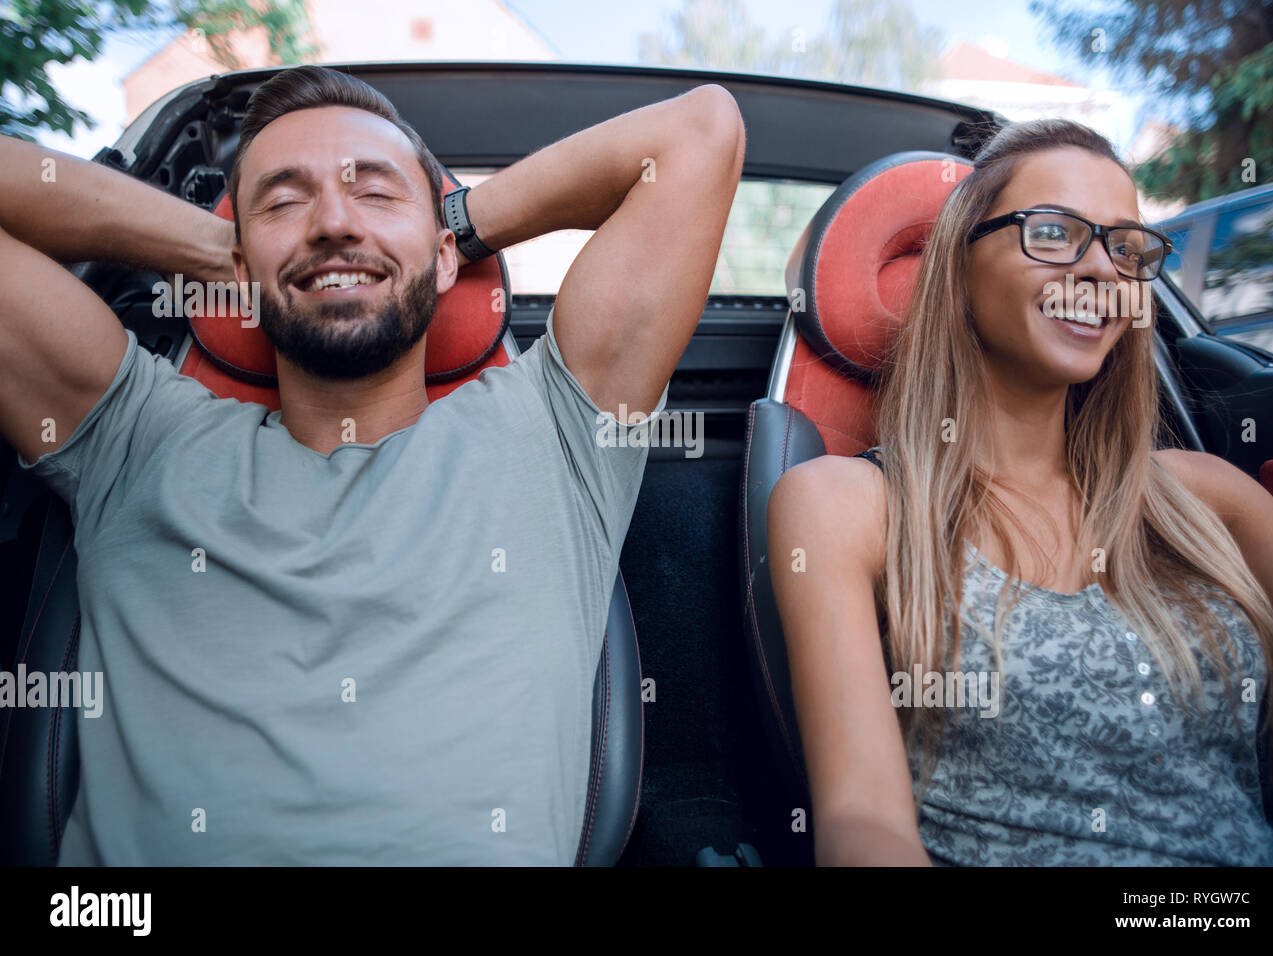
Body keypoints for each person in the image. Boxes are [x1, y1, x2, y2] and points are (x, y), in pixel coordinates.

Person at [0, 65, 744, 864]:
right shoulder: (133, 438)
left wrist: (448, 223)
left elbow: (699, 131)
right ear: (242, 268)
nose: (332, 223)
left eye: (376, 193)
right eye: (286, 201)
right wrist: (222, 247)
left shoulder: (556, 433)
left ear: (448, 258)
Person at [767, 118, 1273, 866]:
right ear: (959, 264)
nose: (1103, 273)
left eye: (1126, 248)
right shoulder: (846, 505)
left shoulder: (1206, 496)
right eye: (1052, 233)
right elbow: (863, 827)